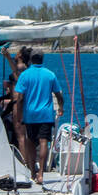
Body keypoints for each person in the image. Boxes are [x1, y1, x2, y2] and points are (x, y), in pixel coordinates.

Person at [14, 50, 64, 180]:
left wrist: (19, 115)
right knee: (43, 142)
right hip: (46, 114)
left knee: (30, 142)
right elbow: (59, 95)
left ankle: (32, 173)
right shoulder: (50, 75)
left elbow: (19, 98)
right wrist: (61, 108)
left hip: (30, 114)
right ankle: (41, 173)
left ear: (30, 60)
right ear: (42, 59)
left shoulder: (24, 75)